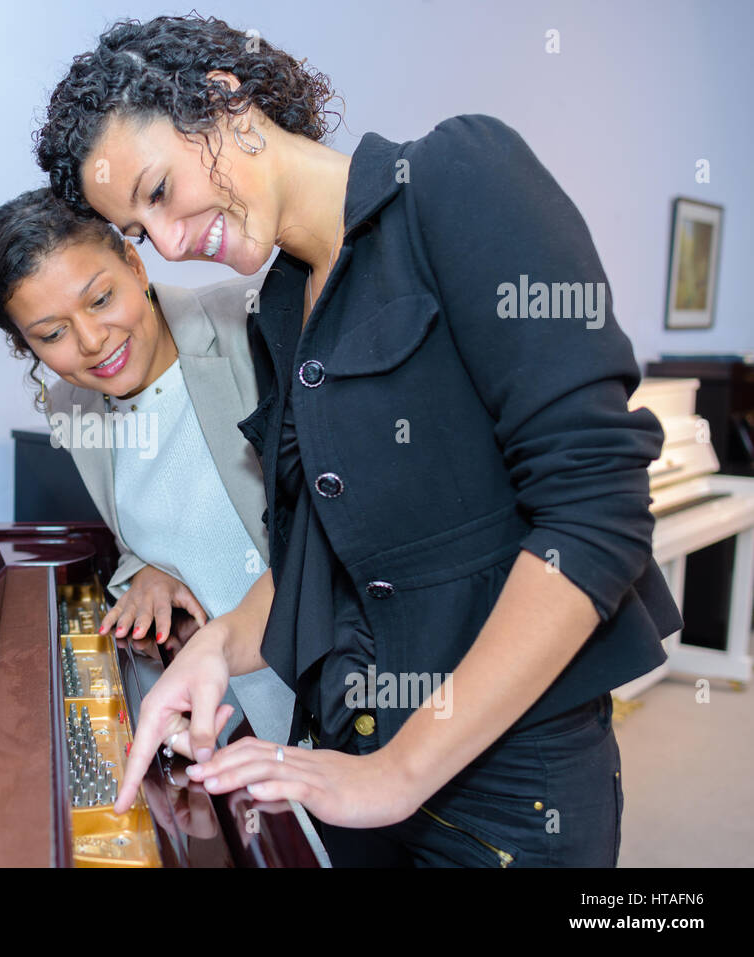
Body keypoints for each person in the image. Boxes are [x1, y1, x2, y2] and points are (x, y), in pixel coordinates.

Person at [34, 14, 683, 866]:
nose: (168, 242)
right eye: (137, 231)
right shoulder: (279, 306)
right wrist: (221, 648)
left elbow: (596, 513)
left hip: (507, 794)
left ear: (225, 103)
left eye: (158, 192)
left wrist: (402, 770)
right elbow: (313, 553)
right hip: (342, 756)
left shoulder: (457, 177)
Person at [0, 187, 294, 746]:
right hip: (221, 726)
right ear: (25, 345)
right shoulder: (72, 408)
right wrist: (148, 572)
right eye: (52, 334)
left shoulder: (258, 325)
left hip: (326, 703)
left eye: (100, 300)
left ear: (134, 263)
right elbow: (144, 537)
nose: (92, 342)